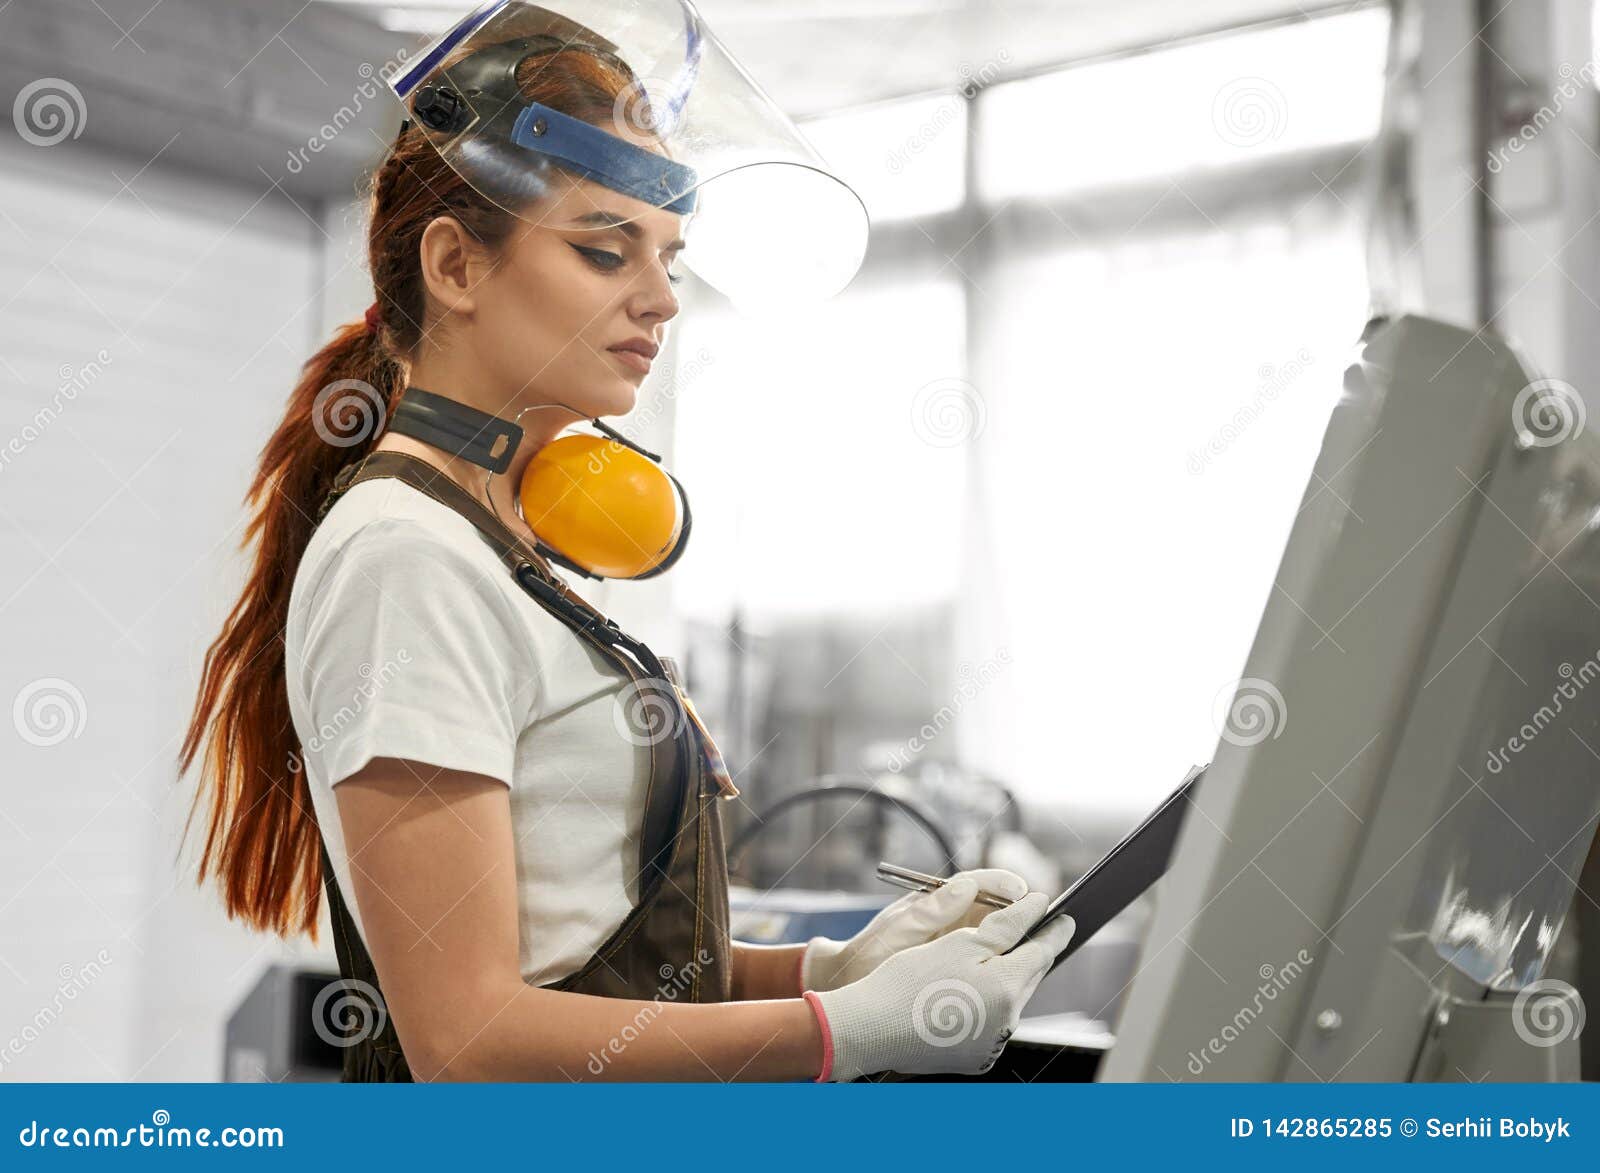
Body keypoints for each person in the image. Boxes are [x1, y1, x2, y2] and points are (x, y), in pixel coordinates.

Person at [179, 0, 1073, 1082]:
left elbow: (598, 969)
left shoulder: (496, 546)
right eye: (606, 252)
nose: (661, 300)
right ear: (455, 267)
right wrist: (841, 1036)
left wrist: (836, 969)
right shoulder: (406, 559)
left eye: (670, 261)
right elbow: (469, 1043)